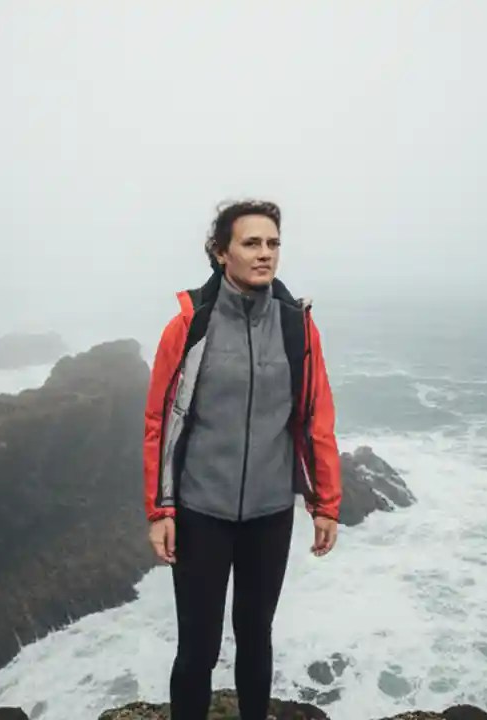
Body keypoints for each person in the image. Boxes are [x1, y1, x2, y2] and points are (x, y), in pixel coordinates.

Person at [142, 199, 342, 719]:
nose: (265, 254)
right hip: (200, 511)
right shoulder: (190, 327)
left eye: (273, 243)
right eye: (251, 243)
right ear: (220, 252)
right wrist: (161, 510)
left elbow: (316, 417)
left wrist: (326, 503)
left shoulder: (298, 326)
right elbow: (161, 423)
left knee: (256, 639)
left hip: (270, 512)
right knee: (198, 650)